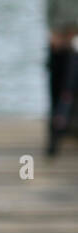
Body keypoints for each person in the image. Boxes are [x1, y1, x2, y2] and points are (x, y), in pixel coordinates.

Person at [47, 0, 78, 154]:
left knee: (68, 89)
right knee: (59, 90)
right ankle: (55, 133)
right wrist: (55, 33)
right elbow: (51, 12)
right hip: (61, 41)